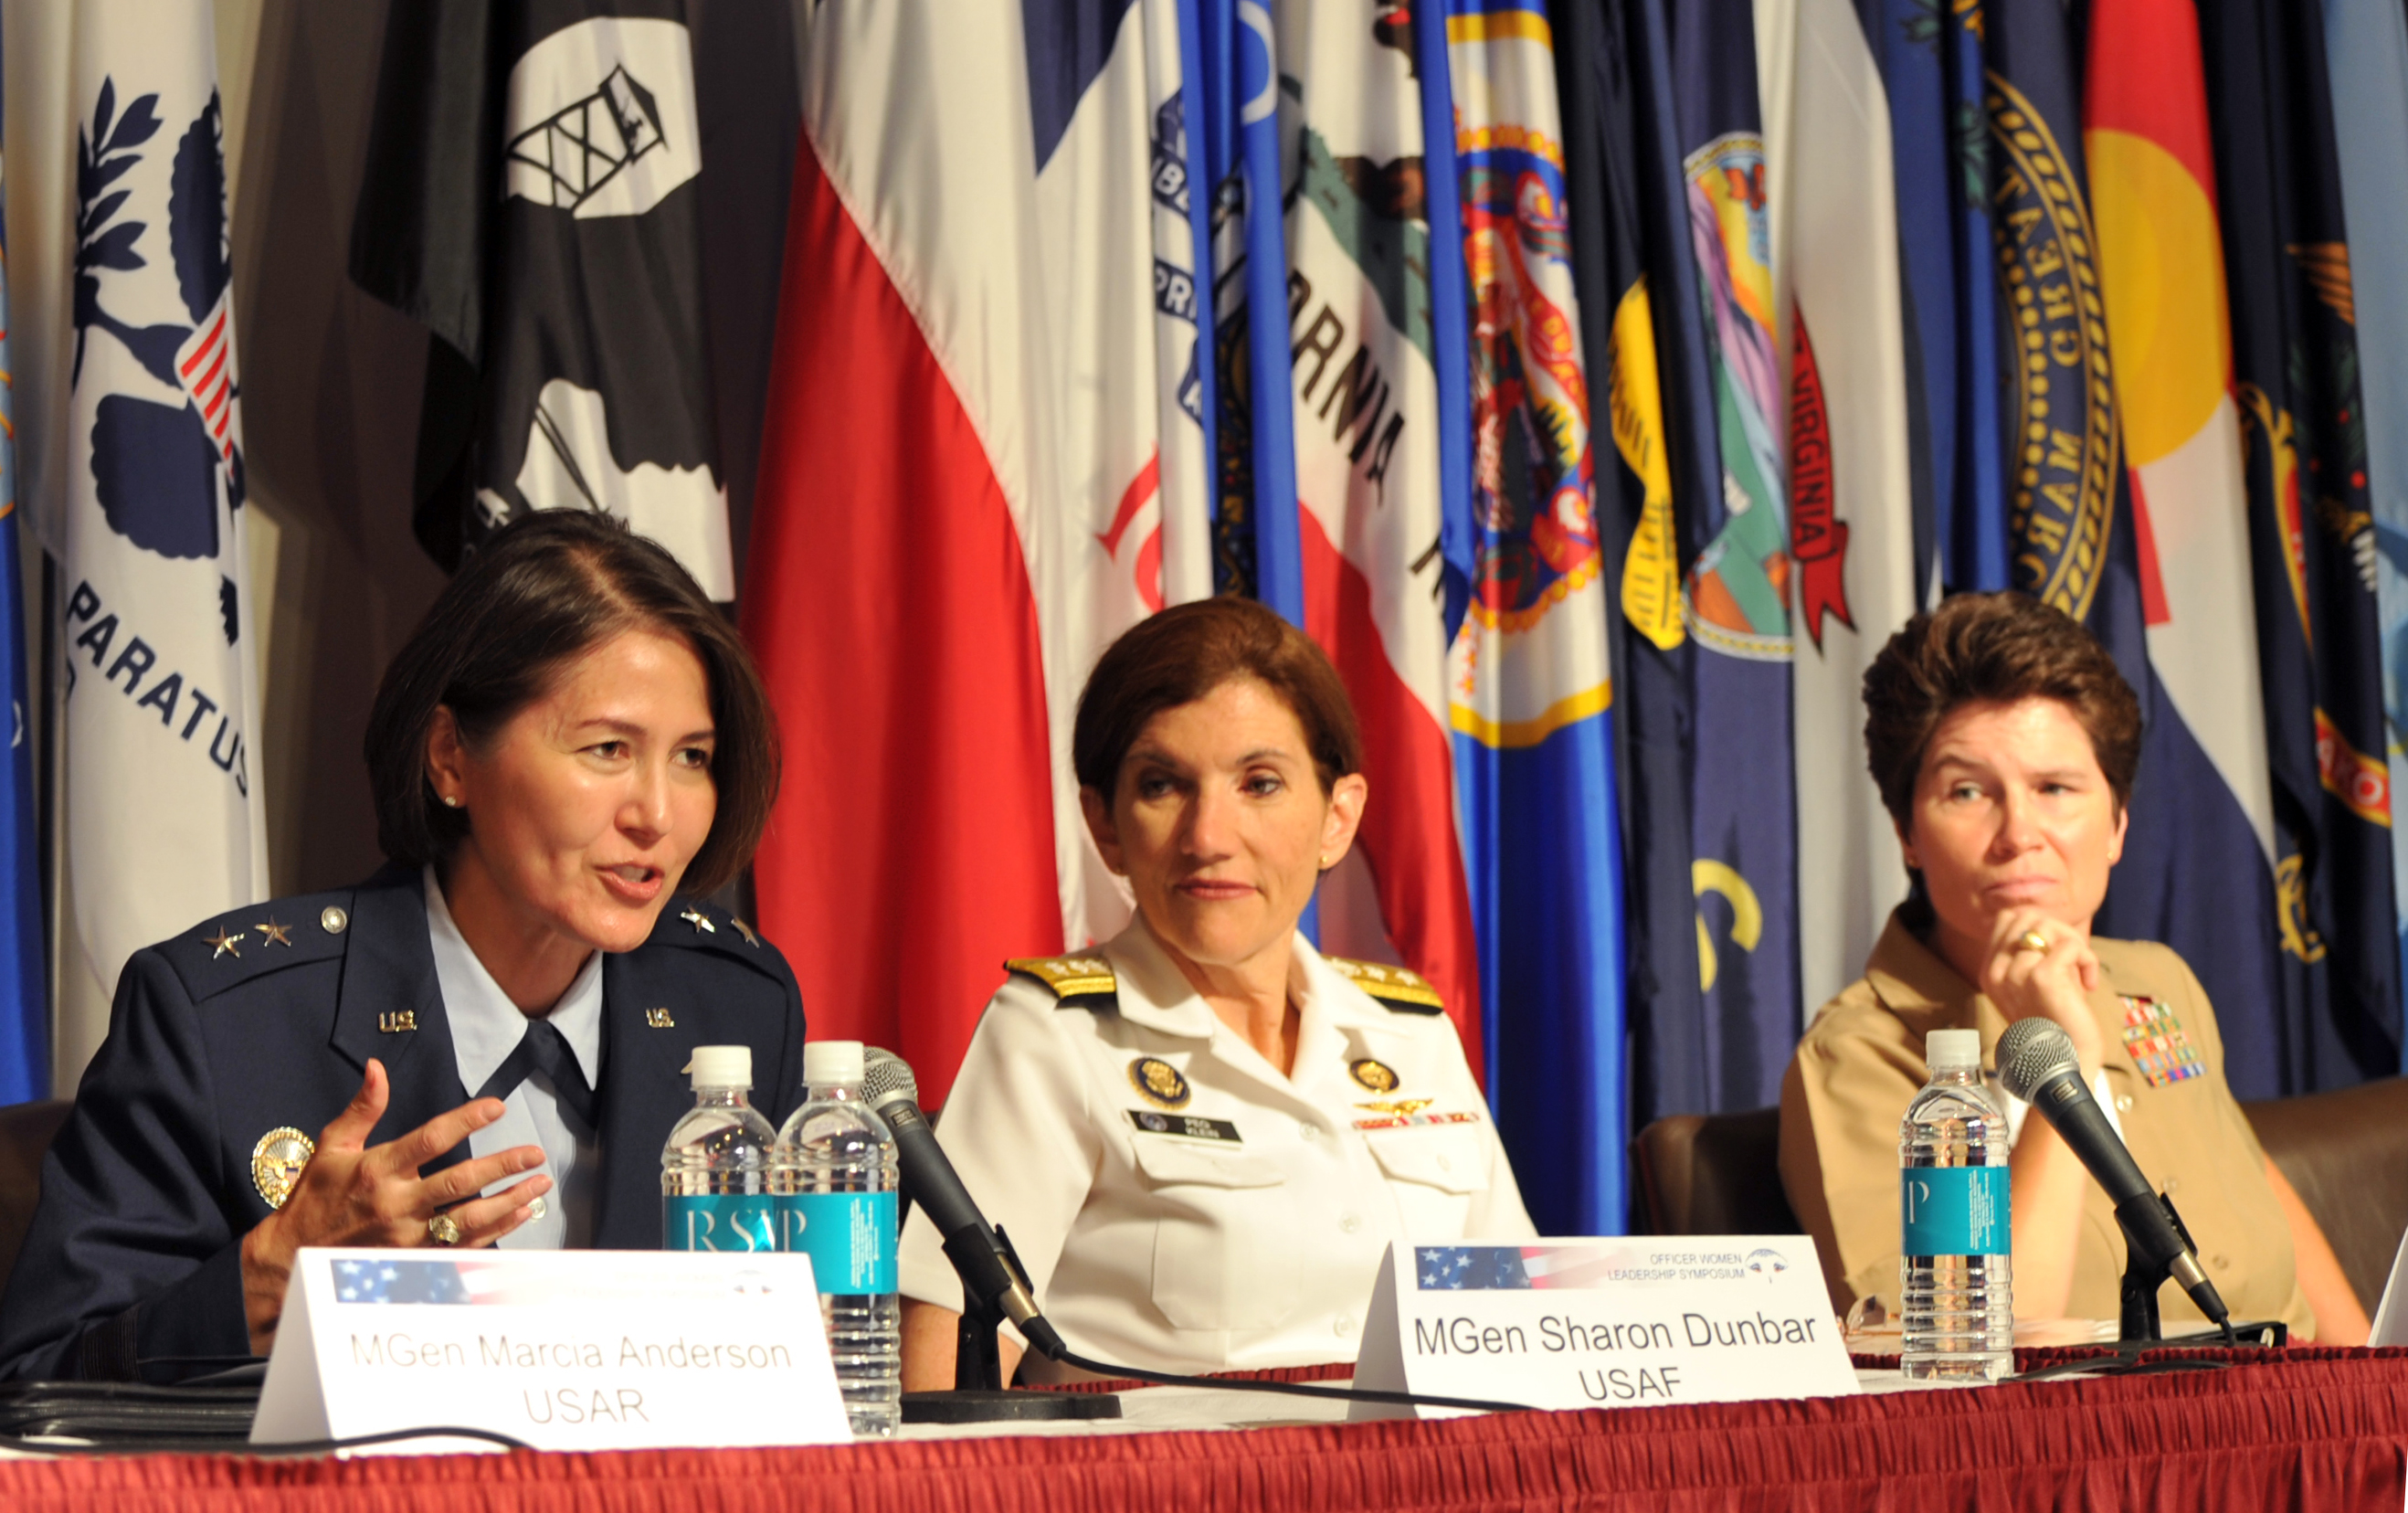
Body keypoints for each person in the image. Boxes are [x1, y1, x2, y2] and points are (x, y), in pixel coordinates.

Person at [0, 512, 805, 1381]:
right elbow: (37, 1384)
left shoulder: (739, 1003)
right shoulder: (222, 1021)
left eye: (692, 758)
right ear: (451, 757)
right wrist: (264, 1282)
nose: (657, 814)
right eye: (608, 749)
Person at [895, 598, 1534, 1390]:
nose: (1207, 837)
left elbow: (1521, 1331)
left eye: (1259, 784)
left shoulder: (1411, 1034)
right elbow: (943, 1388)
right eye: (1162, 785)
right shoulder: (1053, 1035)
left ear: (1338, 818)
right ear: (1105, 825)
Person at [1780, 591, 2368, 1342]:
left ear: (2118, 823)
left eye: (2055, 788)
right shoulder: (1856, 1055)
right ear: (1907, 834)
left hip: (2292, 1405)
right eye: (1967, 792)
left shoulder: (2159, 983)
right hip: (2093, 1419)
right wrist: (2060, 1055)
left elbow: (2267, 1204)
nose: (2018, 834)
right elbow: (1969, 1351)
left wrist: (2384, 1389)